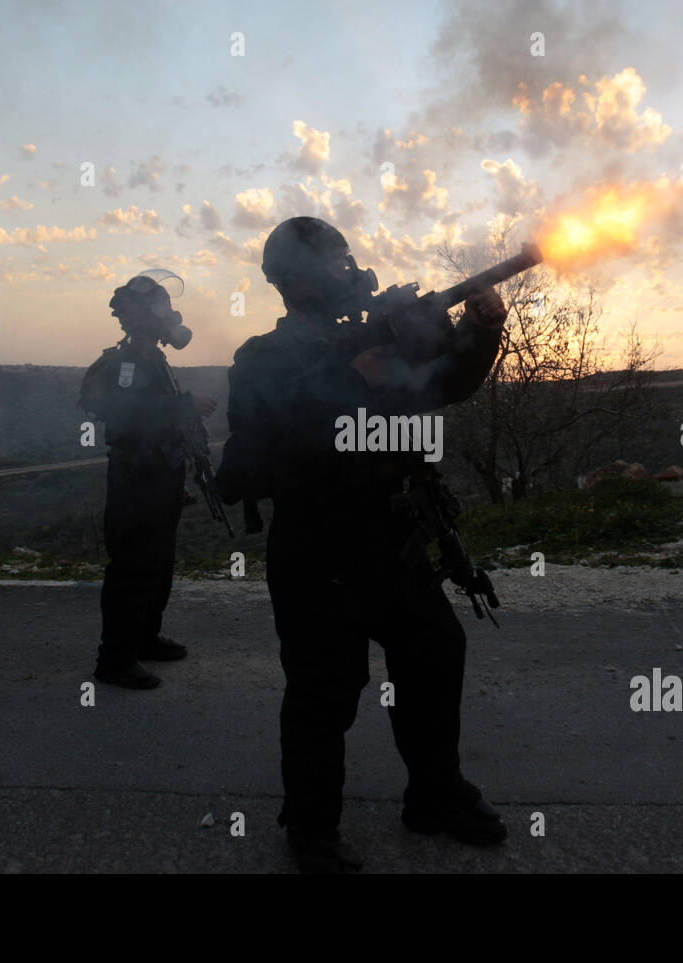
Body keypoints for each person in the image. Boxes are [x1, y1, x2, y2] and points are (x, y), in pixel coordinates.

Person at [216, 217, 509, 872]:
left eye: (346, 257)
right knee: (326, 688)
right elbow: (247, 464)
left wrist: (483, 330)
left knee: (435, 652)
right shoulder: (263, 359)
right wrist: (353, 383)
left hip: (393, 534)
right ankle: (311, 827)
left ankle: (435, 794)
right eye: (330, 262)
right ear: (291, 281)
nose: (346, 269)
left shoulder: (382, 330)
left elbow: (447, 383)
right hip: (316, 548)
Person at [79, 272, 215, 689]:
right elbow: (132, 418)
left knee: (158, 563)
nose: (168, 315)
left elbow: (156, 418)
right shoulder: (131, 360)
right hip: (136, 479)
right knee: (133, 566)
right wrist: (187, 405)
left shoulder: (151, 357)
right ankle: (115, 659)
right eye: (159, 307)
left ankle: (144, 637)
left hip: (159, 476)